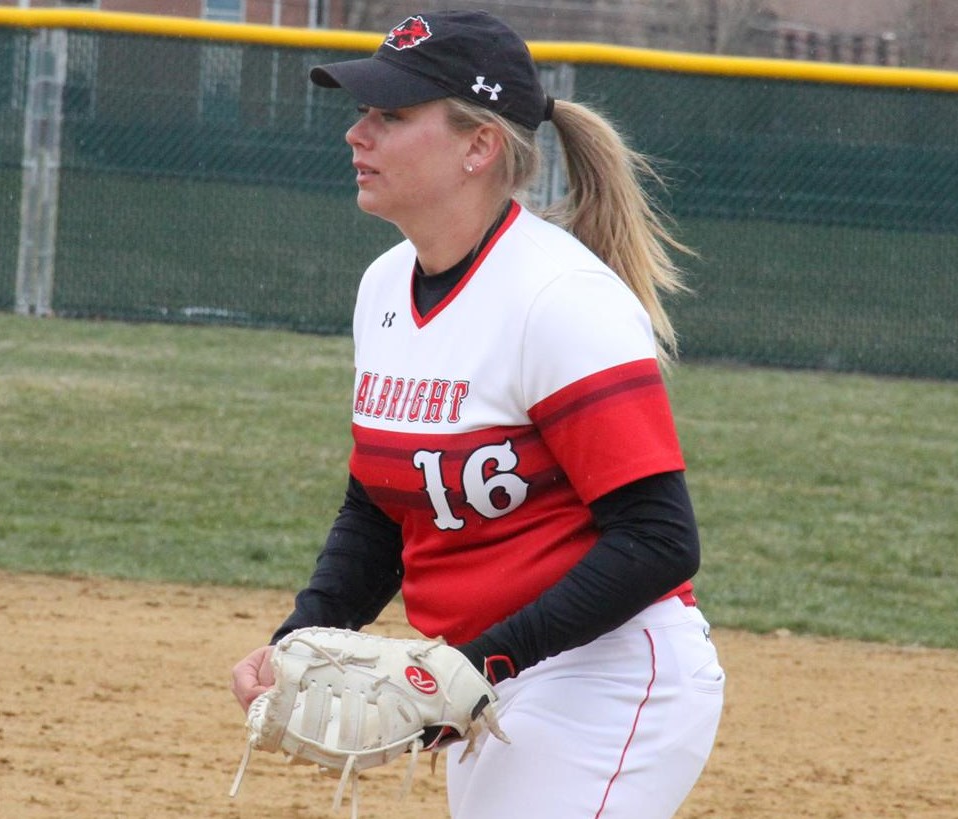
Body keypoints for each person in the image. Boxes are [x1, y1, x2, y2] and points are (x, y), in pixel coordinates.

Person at [231, 10, 724, 818]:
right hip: (492, 678)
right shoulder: (385, 286)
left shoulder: (558, 298)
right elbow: (379, 508)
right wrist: (298, 638)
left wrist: (478, 664)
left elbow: (658, 539)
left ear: (479, 146)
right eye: (364, 111)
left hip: (604, 678)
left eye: (392, 115)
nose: (358, 133)